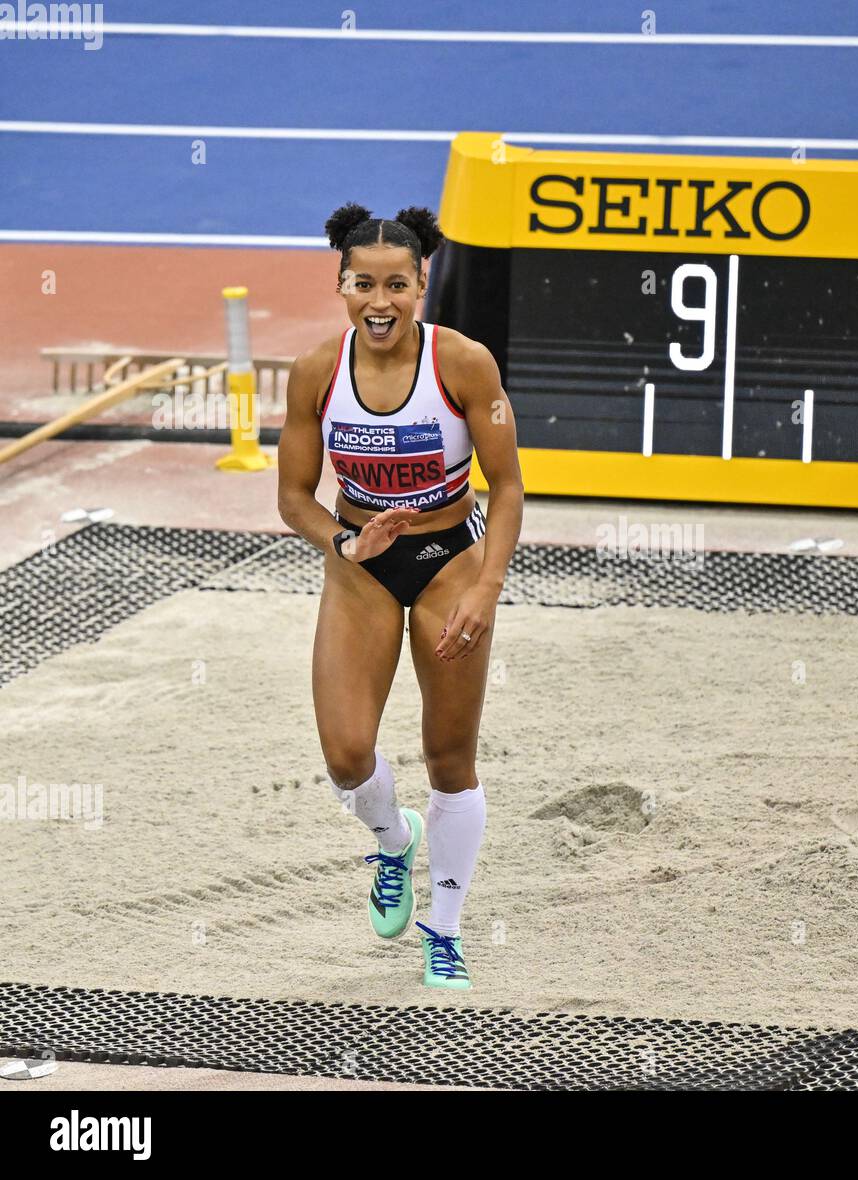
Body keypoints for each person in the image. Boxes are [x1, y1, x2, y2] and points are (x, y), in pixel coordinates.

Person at [277, 202, 523, 988]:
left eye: (396, 285)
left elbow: (509, 487)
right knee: (347, 757)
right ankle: (392, 840)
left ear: (422, 284)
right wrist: (345, 543)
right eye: (362, 286)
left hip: (452, 557)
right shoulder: (317, 373)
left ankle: (443, 930)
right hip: (362, 563)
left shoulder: (465, 365)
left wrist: (486, 588)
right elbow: (292, 498)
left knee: (450, 759)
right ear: (341, 286)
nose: (378, 303)